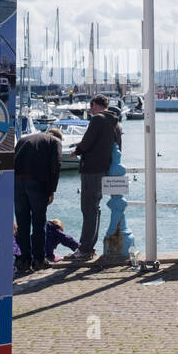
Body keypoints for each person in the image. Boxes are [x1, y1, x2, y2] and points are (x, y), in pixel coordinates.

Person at [70, 94, 122, 261]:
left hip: (91, 170)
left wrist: (77, 151)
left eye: (91, 107)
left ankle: (84, 249)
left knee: (88, 209)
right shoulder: (116, 124)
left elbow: (87, 142)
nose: (90, 111)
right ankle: (89, 247)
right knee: (95, 209)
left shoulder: (98, 119)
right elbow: (119, 148)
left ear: (96, 105)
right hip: (104, 171)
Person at [14, 127, 62, 274]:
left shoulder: (23, 139)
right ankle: (39, 260)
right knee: (38, 223)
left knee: (22, 223)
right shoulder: (54, 142)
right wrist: (51, 190)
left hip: (17, 183)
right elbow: (56, 165)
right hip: (37, 183)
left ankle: (24, 260)